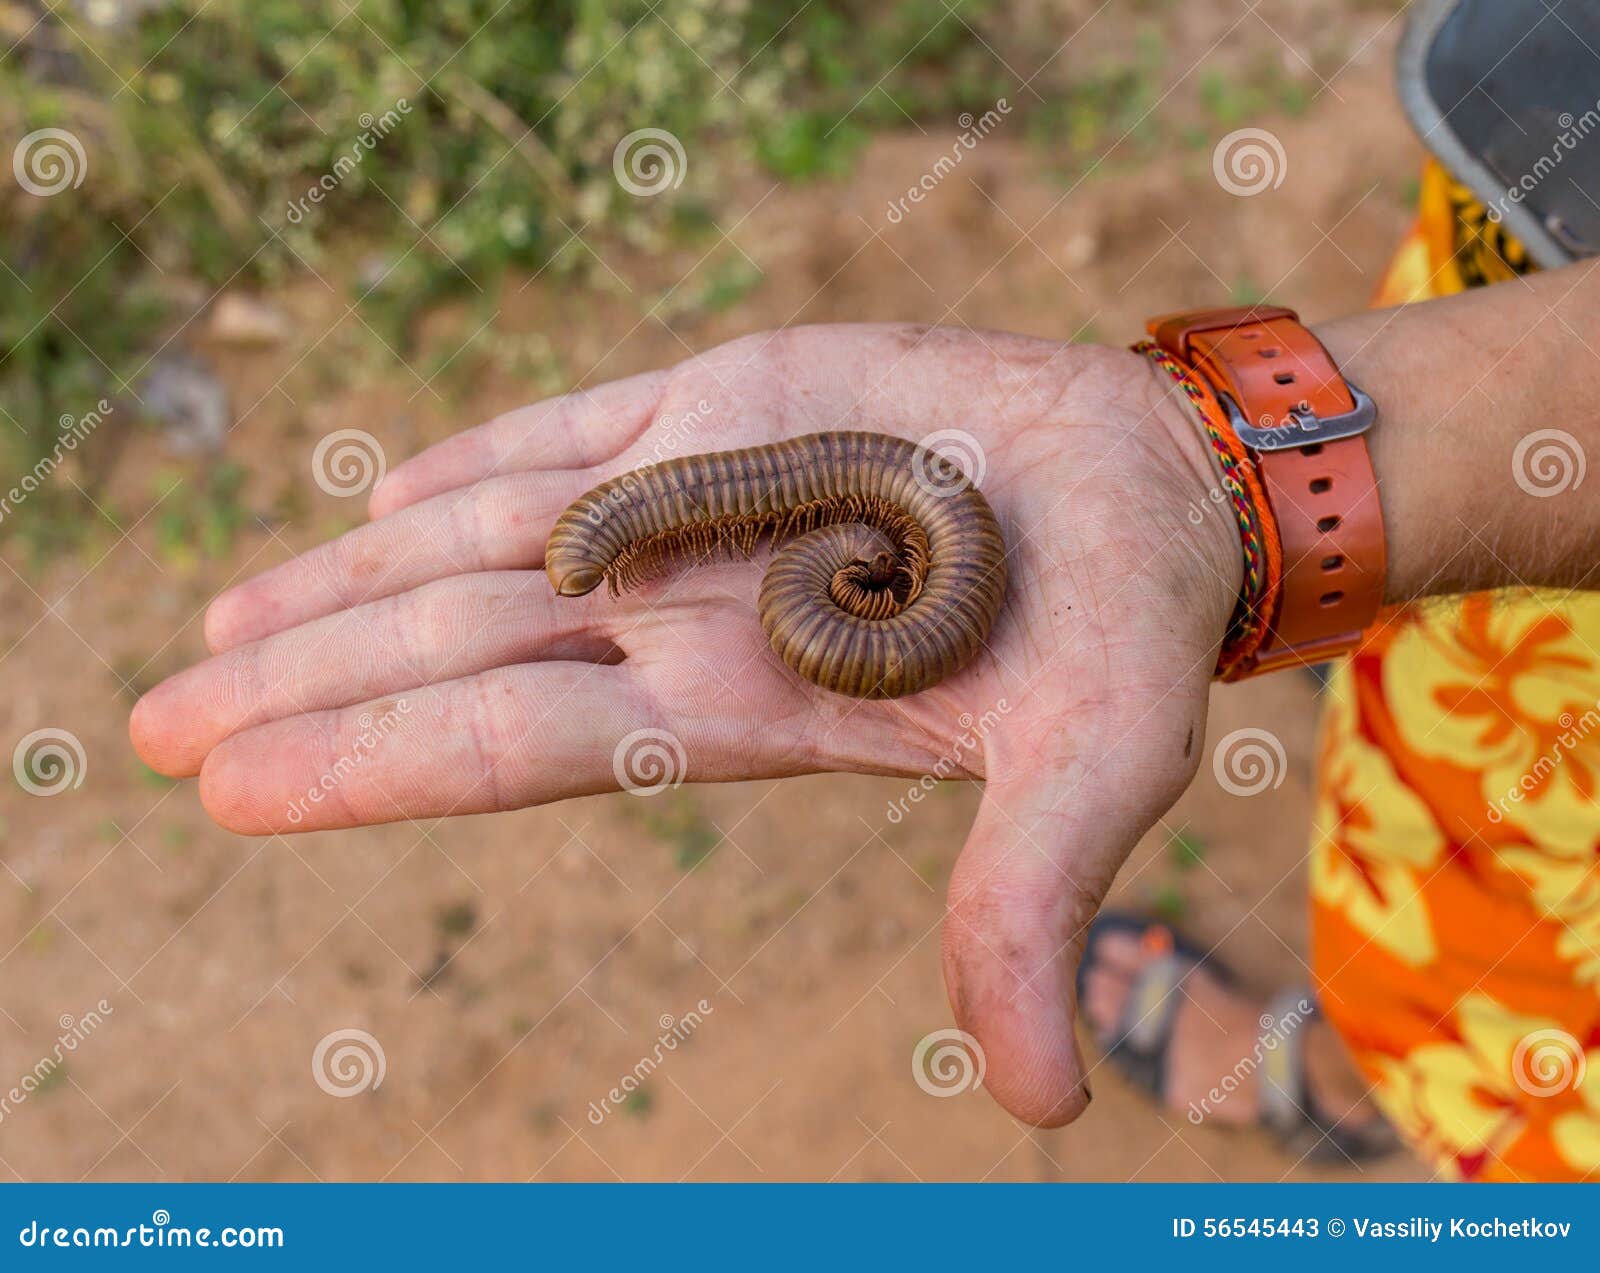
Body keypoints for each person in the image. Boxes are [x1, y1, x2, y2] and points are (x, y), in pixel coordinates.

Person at [130, 5, 1600, 1181]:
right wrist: (1261, 480)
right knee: (1443, 754)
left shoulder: (853, 550)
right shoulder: (826, 538)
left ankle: (1381, 1071)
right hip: (1540, 214)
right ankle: (1364, 707)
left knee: (1529, 952)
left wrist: (1210, 482)